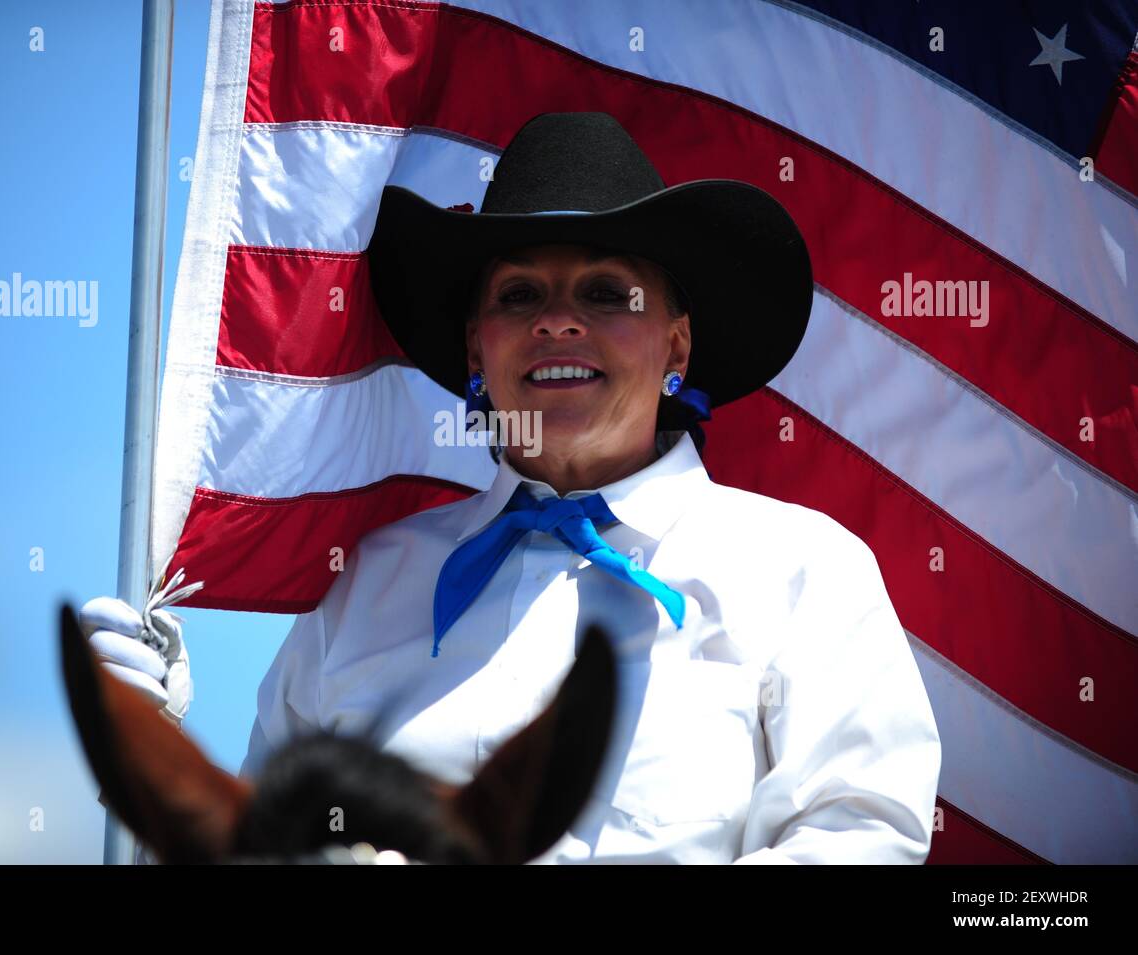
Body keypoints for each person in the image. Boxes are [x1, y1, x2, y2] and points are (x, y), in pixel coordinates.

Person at [84, 111, 941, 864]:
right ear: (474, 353)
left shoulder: (804, 571)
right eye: (520, 292)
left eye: (608, 292)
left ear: (677, 350)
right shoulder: (362, 591)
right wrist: (147, 763)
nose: (556, 321)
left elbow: (858, 837)